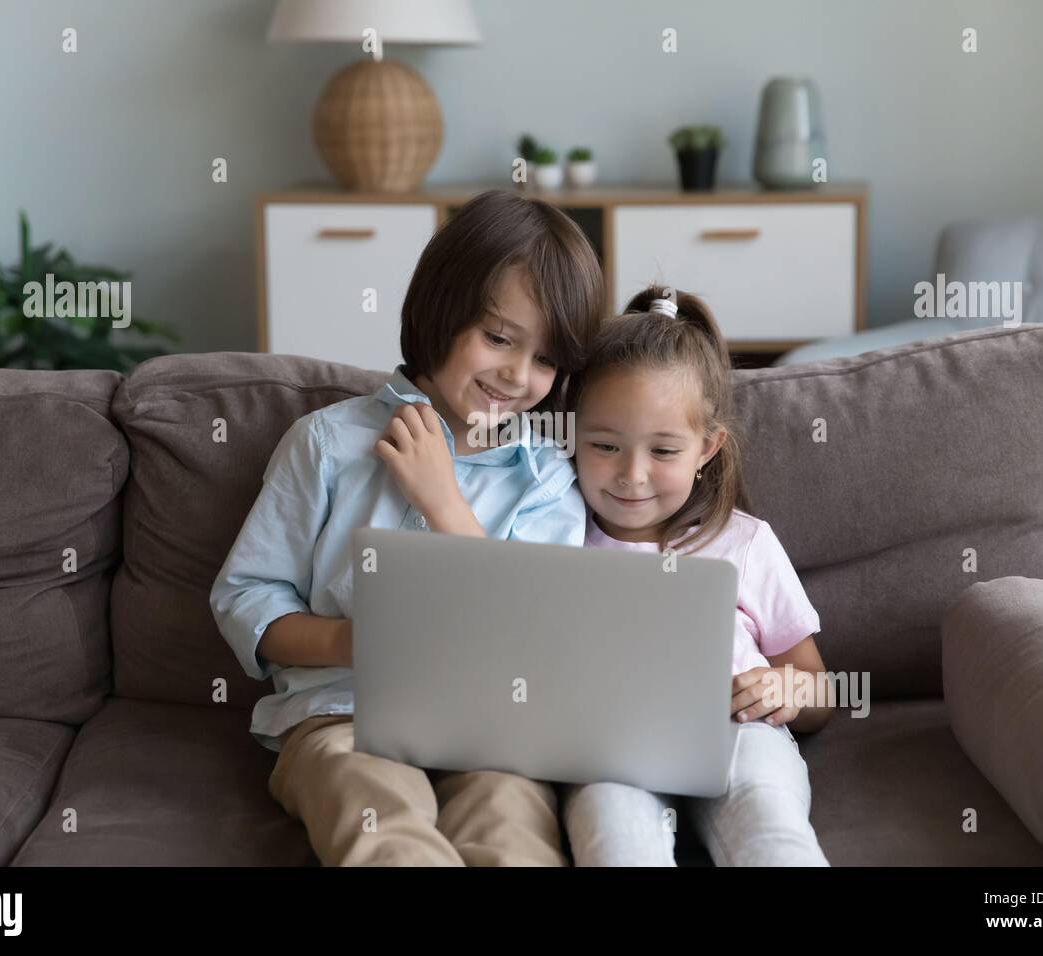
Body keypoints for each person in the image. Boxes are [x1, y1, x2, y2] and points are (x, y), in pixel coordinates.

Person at [209, 189, 605, 865]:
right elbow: (246, 596)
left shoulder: (547, 477)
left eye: (545, 361)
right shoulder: (328, 444)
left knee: (512, 826)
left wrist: (444, 502)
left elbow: (534, 634)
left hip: (492, 726)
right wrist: (349, 640)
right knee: (380, 821)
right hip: (341, 717)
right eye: (499, 338)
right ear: (441, 311)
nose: (516, 375)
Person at [560, 284, 833, 866]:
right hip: (614, 746)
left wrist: (787, 690)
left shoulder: (743, 541)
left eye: (663, 452)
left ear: (707, 448)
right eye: (605, 445)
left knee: (771, 830)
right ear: (570, 437)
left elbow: (820, 689)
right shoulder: (555, 535)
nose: (632, 476)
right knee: (614, 837)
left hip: (739, 733)